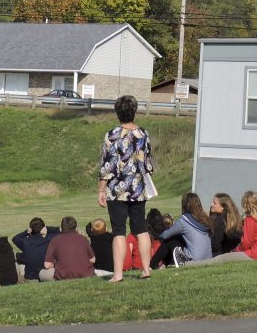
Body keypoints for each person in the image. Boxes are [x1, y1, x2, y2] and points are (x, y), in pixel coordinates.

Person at [97, 93, 156, 281]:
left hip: (117, 189)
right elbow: (148, 163)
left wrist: (101, 189)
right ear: (134, 111)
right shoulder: (143, 134)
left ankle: (118, 275)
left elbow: (107, 165)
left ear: (117, 112)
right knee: (141, 229)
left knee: (119, 231)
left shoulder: (112, 135)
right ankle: (146, 270)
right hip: (138, 188)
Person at [185, 190, 257, 265]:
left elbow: (246, 243)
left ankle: (189, 264)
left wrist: (235, 250)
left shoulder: (251, 219)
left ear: (245, 204)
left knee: (223, 258)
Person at [153, 192, 213, 267]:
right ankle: (163, 266)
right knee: (179, 237)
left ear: (185, 205)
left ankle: (151, 265)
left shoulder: (184, 220)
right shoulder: (204, 219)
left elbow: (165, 235)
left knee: (170, 240)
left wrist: (158, 236)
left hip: (193, 260)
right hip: (208, 258)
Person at [41, 216, 96, 281]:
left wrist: (56, 264)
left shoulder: (55, 240)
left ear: (62, 227)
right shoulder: (83, 238)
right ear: (75, 227)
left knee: (42, 273)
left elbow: (47, 265)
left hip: (64, 275)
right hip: (86, 273)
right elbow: (92, 260)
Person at [12, 217, 58, 282]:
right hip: (44, 274)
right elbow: (61, 231)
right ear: (43, 228)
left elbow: (15, 238)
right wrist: (48, 229)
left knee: (18, 266)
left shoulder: (26, 242)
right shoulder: (48, 240)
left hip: (30, 277)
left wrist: (26, 232)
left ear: (31, 229)